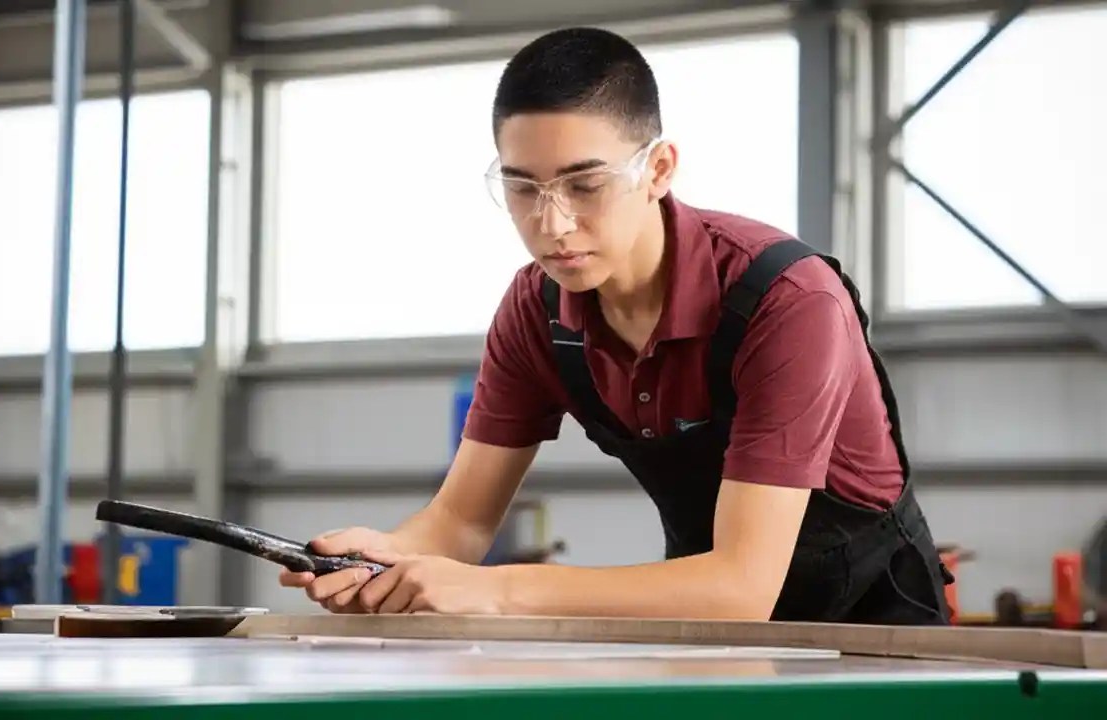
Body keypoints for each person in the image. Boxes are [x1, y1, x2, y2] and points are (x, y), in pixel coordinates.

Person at [280, 26, 954, 624]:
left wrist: (495, 591)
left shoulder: (788, 301)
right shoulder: (534, 311)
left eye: (584, 184)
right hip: (703, 623)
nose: (552, 225)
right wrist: (385, 558)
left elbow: (741, 587)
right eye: (521, 188)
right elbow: (458, 523)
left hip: (877, 626)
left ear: (658, 169)